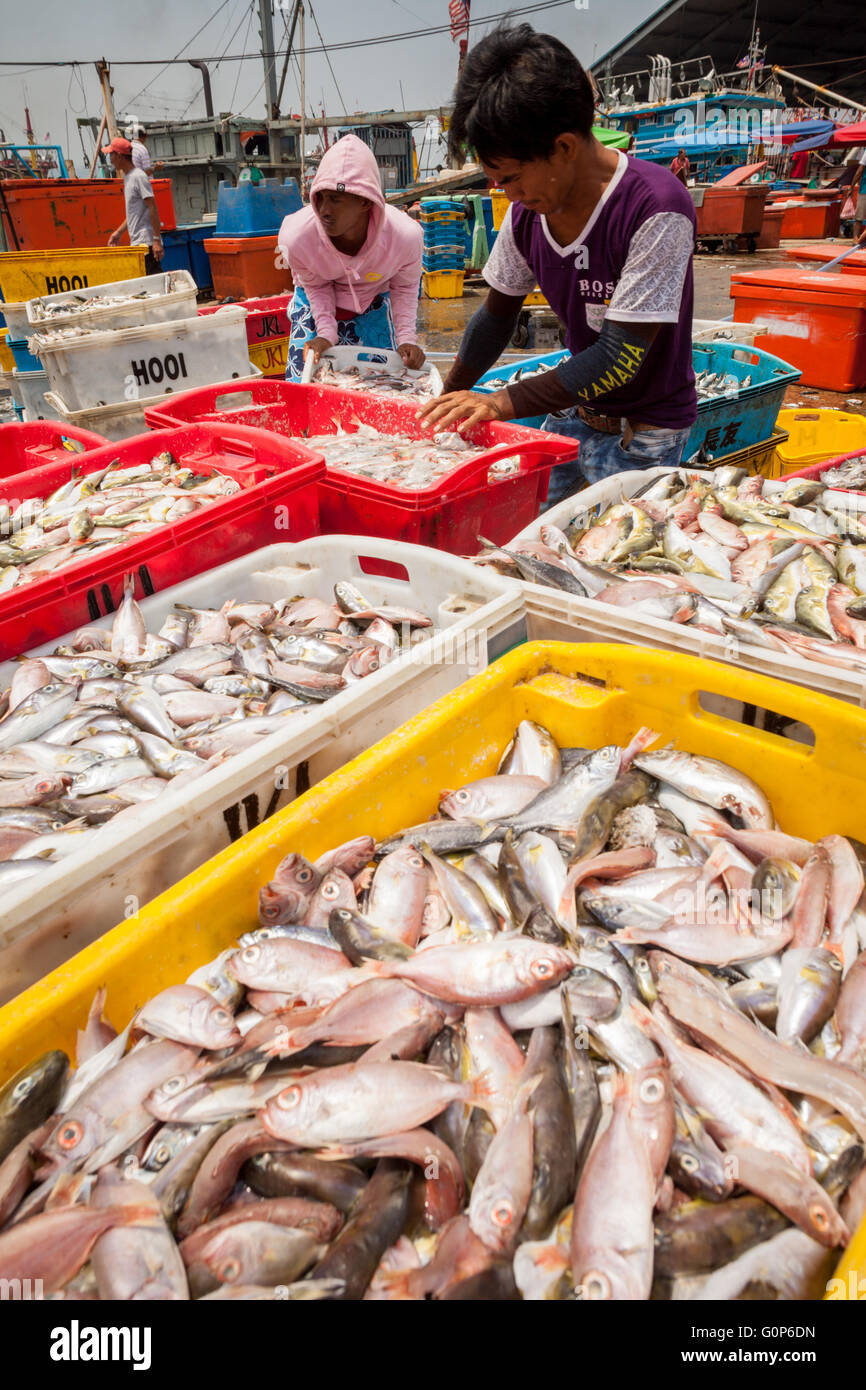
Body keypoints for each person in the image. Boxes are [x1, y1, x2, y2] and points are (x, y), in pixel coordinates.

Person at [419, 24, 697, 500]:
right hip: (574, 412)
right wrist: (450, 396)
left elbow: (620, 357)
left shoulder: (656, 208)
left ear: (564, 148)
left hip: (644, 435)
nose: (507, 194)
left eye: (510, 178)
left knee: (609, 564)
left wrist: (500, 402)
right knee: (532, 534)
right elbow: (496, 317)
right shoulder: (528, 214)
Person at [277, 132, 424, 381]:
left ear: (366, 203)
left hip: (373, 295)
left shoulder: (405, 237)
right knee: (307, 380)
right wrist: (325, 333)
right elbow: (315, 284)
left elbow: (406, 286)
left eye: (335, 199)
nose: (324, 210)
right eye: (320, 198)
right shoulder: (296, 237)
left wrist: (407, 338)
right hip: (314, 301)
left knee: (382, 379)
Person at [104, 136, 163, 274]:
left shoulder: (138, 177)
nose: (110, 160)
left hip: (146, 243)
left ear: (119, 156)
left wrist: (156, 240)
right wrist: (118, 233)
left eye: (111, 155)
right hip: (138, 242)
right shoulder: (128, 178)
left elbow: (152, 207)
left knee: (153, 284)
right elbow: (134, 213)